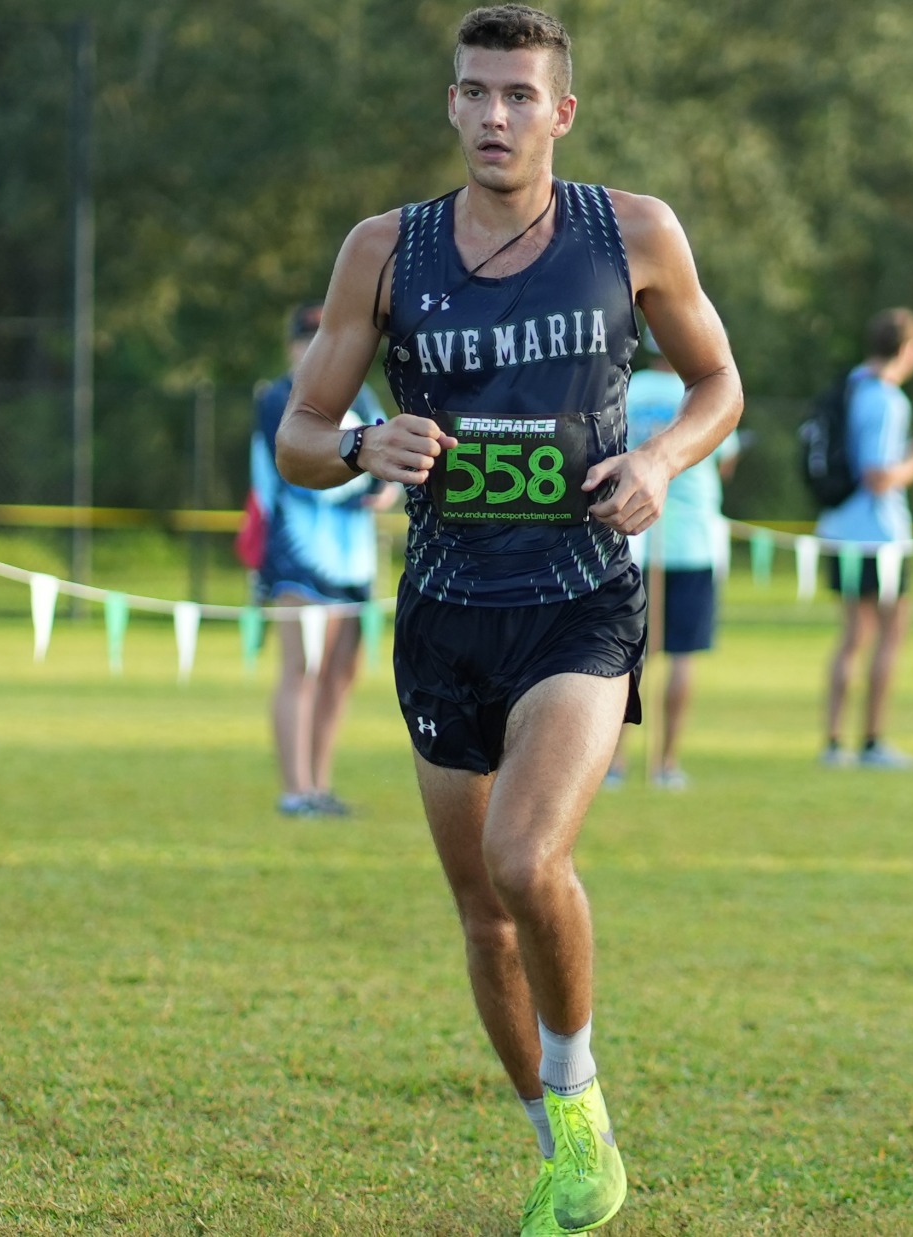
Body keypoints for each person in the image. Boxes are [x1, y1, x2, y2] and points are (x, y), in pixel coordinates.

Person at [275, 7, 741, 1231]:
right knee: (481, 916)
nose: (495, 116)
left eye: (519, 96)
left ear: (561, 112)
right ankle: (561, 1147)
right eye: (475, 93)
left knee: (525, 860)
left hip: (579, 597)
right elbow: (297, 435)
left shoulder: (630, 230)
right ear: (450, 105)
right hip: (443, 611)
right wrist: (365, 442)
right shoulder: (385, 251)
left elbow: (718, 383)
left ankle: (580, 1097)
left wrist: (665, 462)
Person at [249, 302, 399, 818]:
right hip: (298, 555)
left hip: (353, 560)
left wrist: (385, 489)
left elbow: (386, 456)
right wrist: (367, 468)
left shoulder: (361, 395)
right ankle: (295, 790)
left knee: (339, 673)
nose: (315, 348)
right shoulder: (278, 399)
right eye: (305, 338)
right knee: (301, 669)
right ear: (291, 345)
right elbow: (302, 467)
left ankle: (319, 784)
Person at [815, 308, 913, 769]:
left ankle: (833, 743)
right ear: (907, 348)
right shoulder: (886, 398)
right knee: (886, 636)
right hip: (877, 536)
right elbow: (880, 477)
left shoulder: (851, 386)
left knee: (850, 637)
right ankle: (872, 742)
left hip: (839, 529)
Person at [605, 329, 739, 790]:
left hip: (633, 534)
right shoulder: (707, 389)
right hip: (694, 539)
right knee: (682, 657)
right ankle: (666, 763)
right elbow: (724, 459)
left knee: (628, 657)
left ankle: (615, 763)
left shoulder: (630, 387)